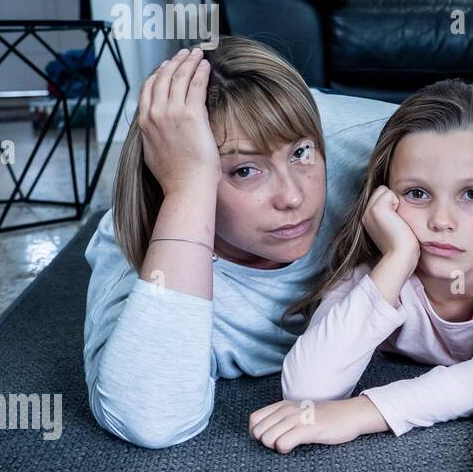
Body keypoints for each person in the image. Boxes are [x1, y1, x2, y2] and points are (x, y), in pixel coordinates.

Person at [83, 38, 395, 448]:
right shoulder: (136, 255)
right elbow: (149, 418)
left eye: (301, 152)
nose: (293, 197)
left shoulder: (362, 146)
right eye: (245, 170)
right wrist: (188, 189)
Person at [250, 80, 473, 453]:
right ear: (384, 201)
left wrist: (362, 414)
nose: (441, 220)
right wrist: (397, 257)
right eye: (417, 193)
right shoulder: (379, 267)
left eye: (472, 194)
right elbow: (307, 390)